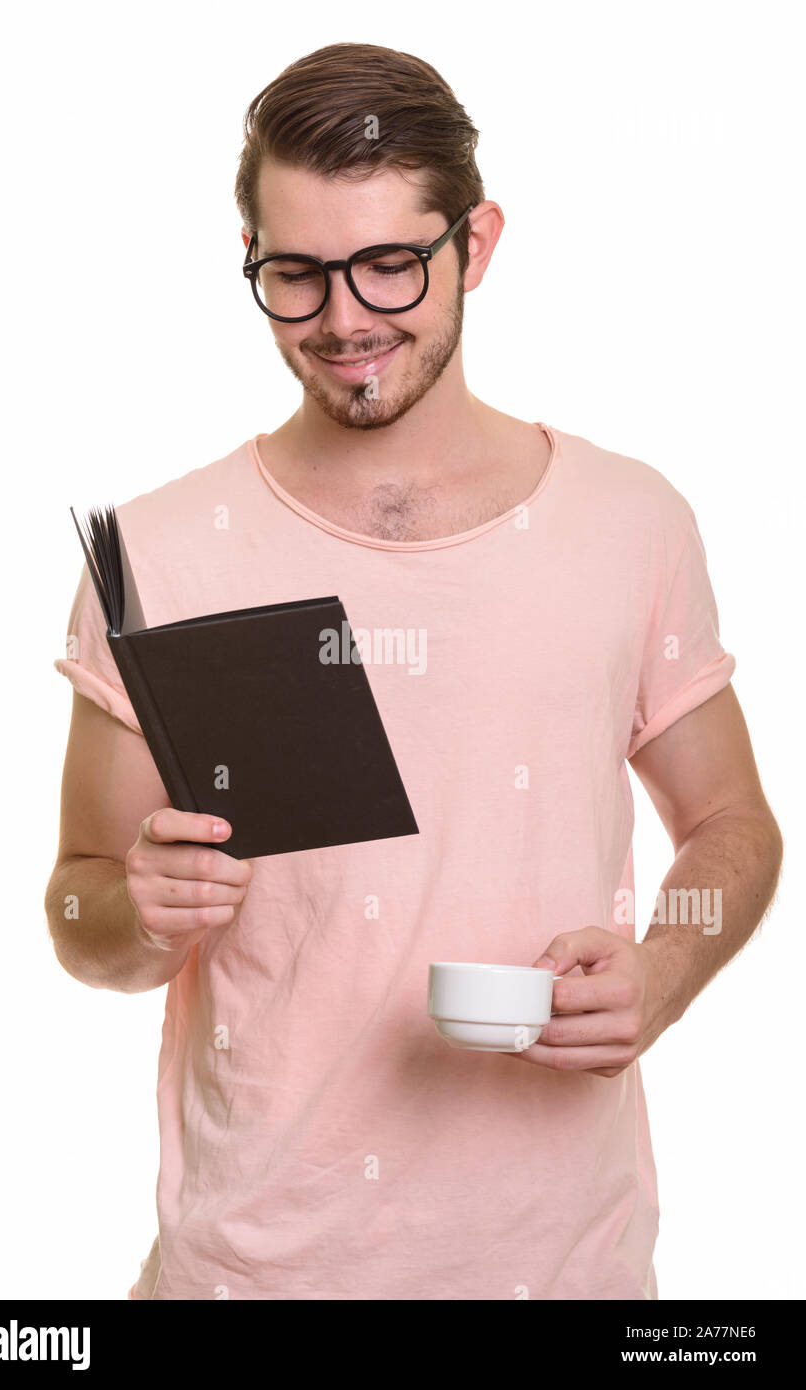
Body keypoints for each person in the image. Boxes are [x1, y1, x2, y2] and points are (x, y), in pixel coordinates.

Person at [45, 42, 783, 1301]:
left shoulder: (632, 520)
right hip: (248, 1279)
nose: (342, 319)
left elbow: (732, 826)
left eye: (389, 263)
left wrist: (665, 969)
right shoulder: (152, 553)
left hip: (563, 1279)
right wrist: (136, 914)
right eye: (295, 273)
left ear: (476, 246)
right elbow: (78, 914)